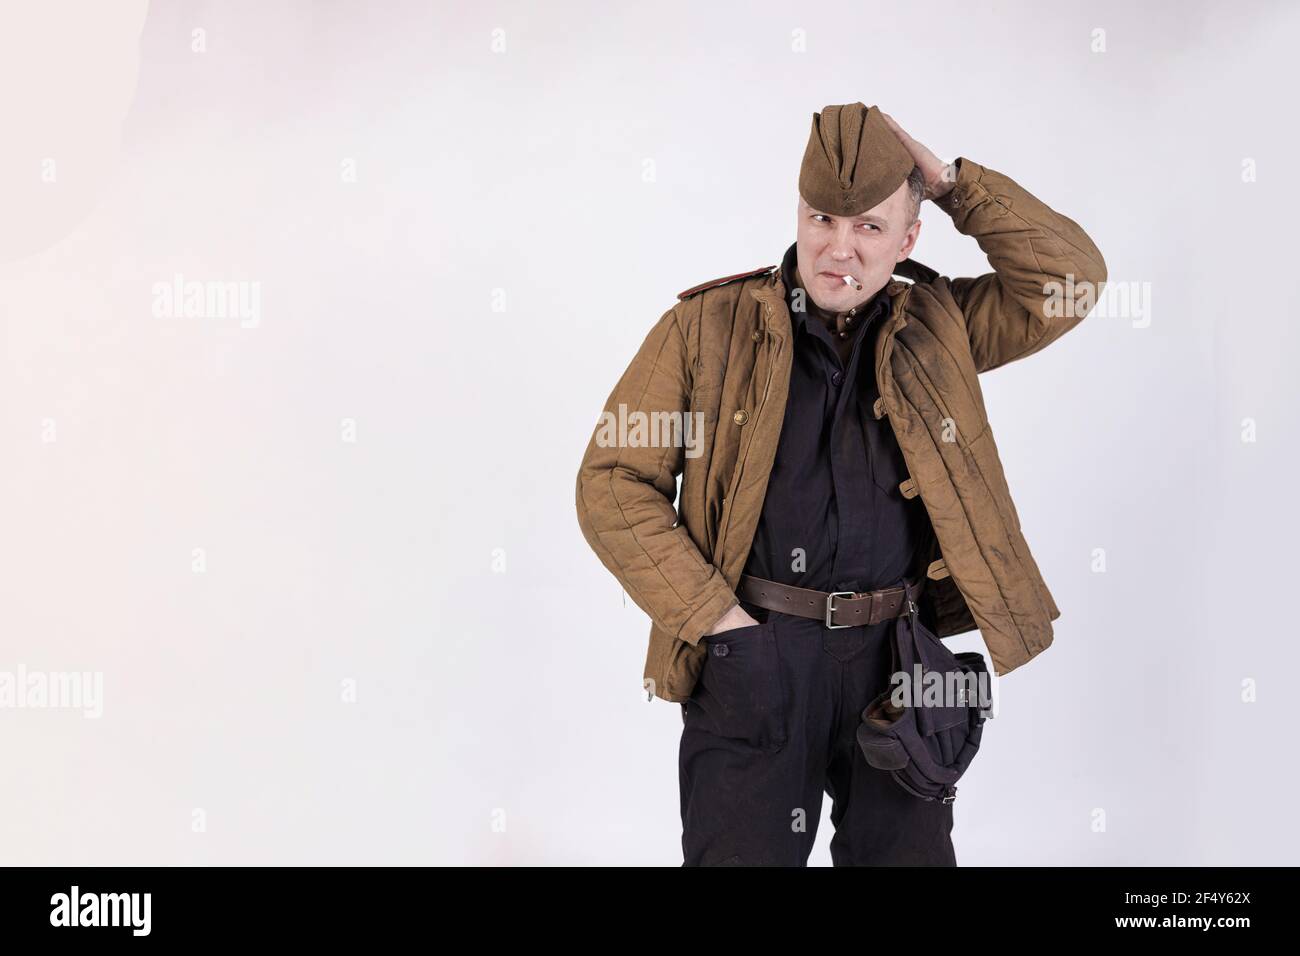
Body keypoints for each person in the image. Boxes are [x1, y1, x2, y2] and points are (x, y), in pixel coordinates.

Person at [575, 102, 1106, 865]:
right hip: (756, 657)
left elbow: (1074, 282)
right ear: (799, 210)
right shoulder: (705, 330)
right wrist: (718, 624)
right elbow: (613, 481)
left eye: (869, 227)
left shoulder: (942, 326)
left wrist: (954, 184)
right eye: (823, 218)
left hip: (899, 666)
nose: (839, 250)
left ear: (909, 236)